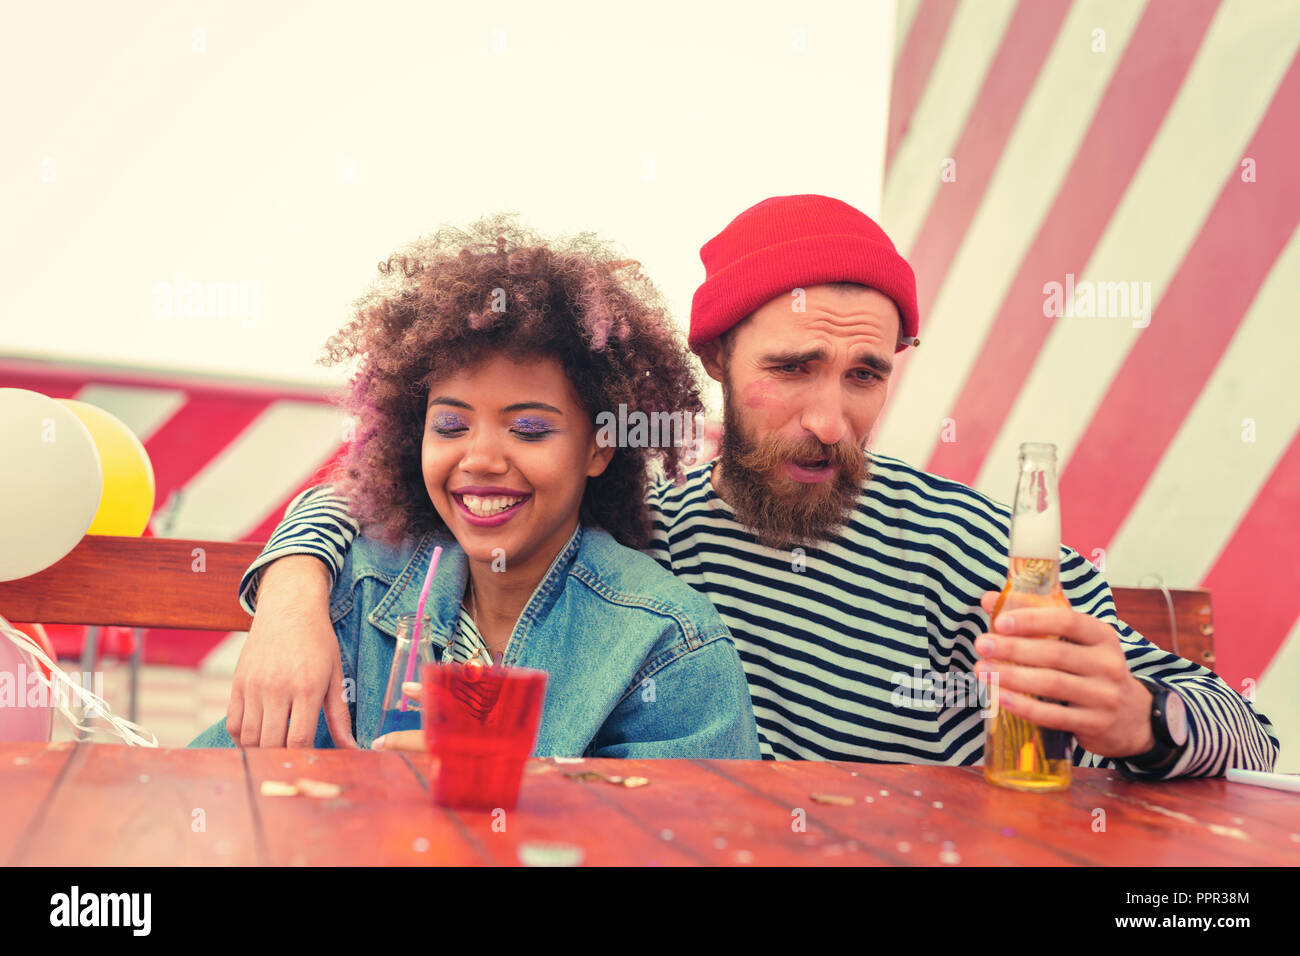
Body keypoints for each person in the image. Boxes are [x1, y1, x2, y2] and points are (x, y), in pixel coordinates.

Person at [222, 195, 1278, 779]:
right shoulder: (645, 529)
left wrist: (1140, 717)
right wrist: (293, 589)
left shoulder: (975, 543)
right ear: (716, 362)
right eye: (791, 369)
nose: (829, 418)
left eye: (864, 375)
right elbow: (412, 495)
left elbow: (1248, 727)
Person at [189, 216, 760, 758]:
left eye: (530, 429)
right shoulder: (355, 594)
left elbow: (691, 833)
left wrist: (509, 780)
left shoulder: (668, 648)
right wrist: (288, 598)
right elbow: (224, 788)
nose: (480, 459)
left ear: (599, 446)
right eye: (450, 426)